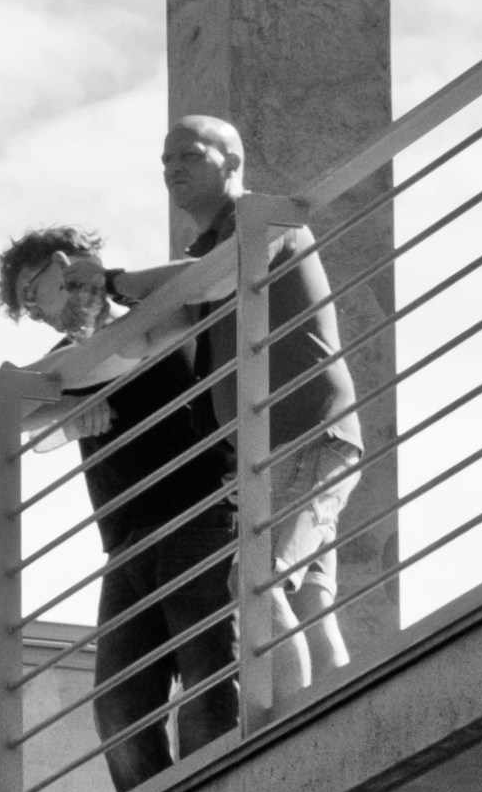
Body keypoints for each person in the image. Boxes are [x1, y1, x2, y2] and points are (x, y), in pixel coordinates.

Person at [0, 222, 237, 792]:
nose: (37, 313)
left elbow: (145, 343)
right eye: (27, 308)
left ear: (63, 264)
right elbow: (14, 417)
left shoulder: (149, 313)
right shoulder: (66, 363)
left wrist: (68, 403)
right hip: (125, 541)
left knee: (209, 680)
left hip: (198, 513)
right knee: (119, 708)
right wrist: (69, 415)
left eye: (34, 293)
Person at [157, 111, 366, 704]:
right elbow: (155, 331)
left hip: (305, 435)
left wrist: (117, 279)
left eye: (189, 154)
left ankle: (292, 735)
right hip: (274, 449)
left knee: (255, 580)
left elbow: (212, 281)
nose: (172, 168)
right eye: (166, 159)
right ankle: (339, 720)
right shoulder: (208, 254)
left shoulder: (263, 218)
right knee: (308, 599)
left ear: (232, 162)